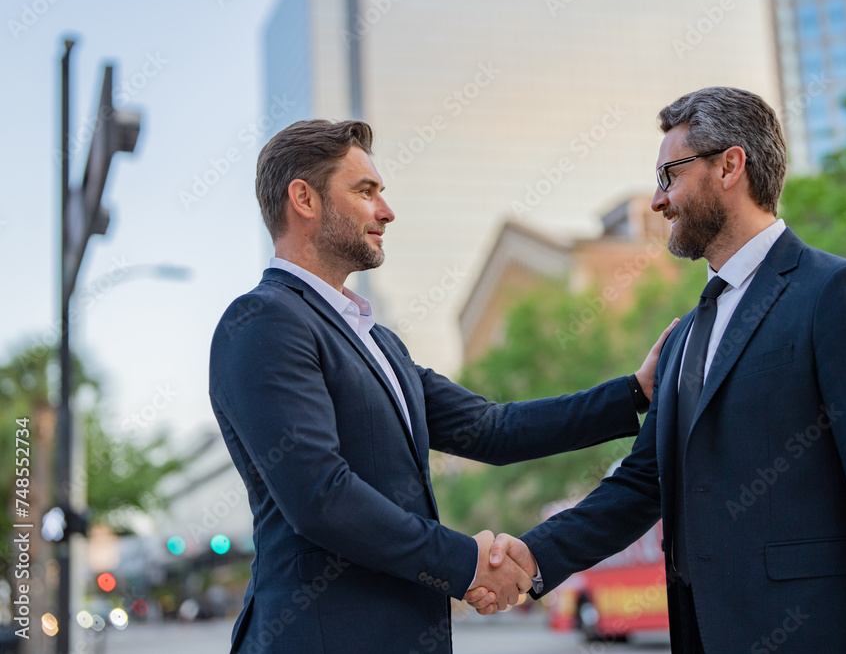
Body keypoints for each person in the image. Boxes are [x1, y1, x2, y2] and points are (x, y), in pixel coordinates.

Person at [468, 87, 846, 653]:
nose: (657, 200)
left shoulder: (838, 294)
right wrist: (532, 556)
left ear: (729, 166)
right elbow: (641, 482)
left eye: (669, 174)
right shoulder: (682, 338)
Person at [208, 118, 674, 653]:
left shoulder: (379, 343)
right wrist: (468, 563)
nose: (386, 210)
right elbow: (321, 495)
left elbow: (492, 429)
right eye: (366, 191)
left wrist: (634, 392)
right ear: (304, 199)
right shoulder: (265, 321)